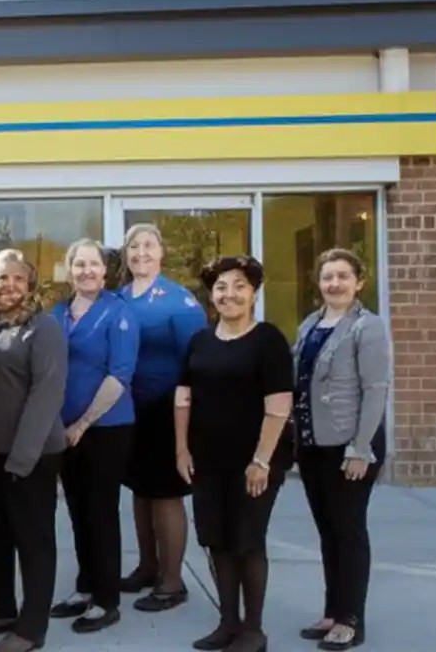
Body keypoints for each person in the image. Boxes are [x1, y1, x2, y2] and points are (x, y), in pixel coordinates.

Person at [175, 255, 294, 652]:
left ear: (254, 292)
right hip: (207, 460)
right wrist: (181, 449)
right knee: (216, 540)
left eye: (239, 285)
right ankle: (227, 622)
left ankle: (253, 630)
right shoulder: (200, 340)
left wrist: (261, 460)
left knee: (247, 540)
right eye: (221, 287)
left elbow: (279, 406)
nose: (229, 294)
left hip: (255, 463)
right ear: (212, 296)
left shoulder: (269, 340)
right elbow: (183, 398)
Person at [0, 250, 68, 652]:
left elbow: (47, 394)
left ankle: (31, 627)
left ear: (30, 285)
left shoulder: (44, 328)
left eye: (18, 279)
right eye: (1, 278)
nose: (9, 286)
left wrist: (21, 459)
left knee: (33, 540)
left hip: (31, 456)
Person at [293, 249, 391, 651]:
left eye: (342, 276)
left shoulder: (367, 327)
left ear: (359, 282)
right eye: (327, 276)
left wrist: (359, 448)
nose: (334, 283)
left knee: (349, 532)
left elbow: (375, 390)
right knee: (328, 532)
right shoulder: (310, 324)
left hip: (351, 447)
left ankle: (352, 619)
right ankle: (333, 611)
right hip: (314, 444)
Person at [48, 238, 139, 634]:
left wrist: (82, 423)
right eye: (79, 264)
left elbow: (119, 375)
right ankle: (85, 587)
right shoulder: (57, 313)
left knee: (101, 513)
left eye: (93, 265)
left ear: (106, 271)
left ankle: (107, 599)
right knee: (78, 511)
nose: (86, 271)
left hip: (104, 428)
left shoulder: (119, 313)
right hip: (65, 432)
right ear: (70, 271)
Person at [118, 224, 207, 611]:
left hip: (168, 408)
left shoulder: (178, 300)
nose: (141, 252)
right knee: (140, 490)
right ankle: (148, 567)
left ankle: (173, 581)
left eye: (148, 246)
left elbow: (198, 359)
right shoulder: (119, 297)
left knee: (167, 493)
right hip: (129, 408)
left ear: (161, 253)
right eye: (134, 246)